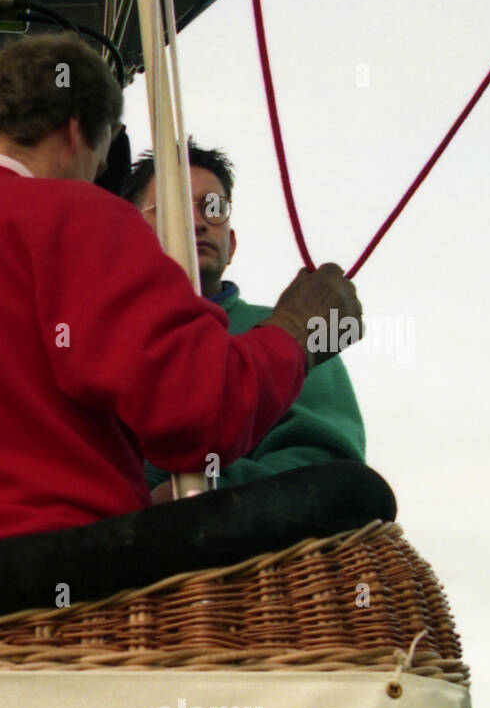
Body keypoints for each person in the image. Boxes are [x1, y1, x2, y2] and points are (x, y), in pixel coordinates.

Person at [0, 32, 362, 547]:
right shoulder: (74, 215)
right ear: (77, 131)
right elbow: (199, 412)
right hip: (49, 595)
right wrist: (298, 331)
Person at [124, 146, 366, 501]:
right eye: (172, 208)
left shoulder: (287, 329)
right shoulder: (101, 336)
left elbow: (325, 467)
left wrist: (205, 489)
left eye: (214, 209)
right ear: (129, 234)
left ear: (232, 244)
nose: (197, 222)